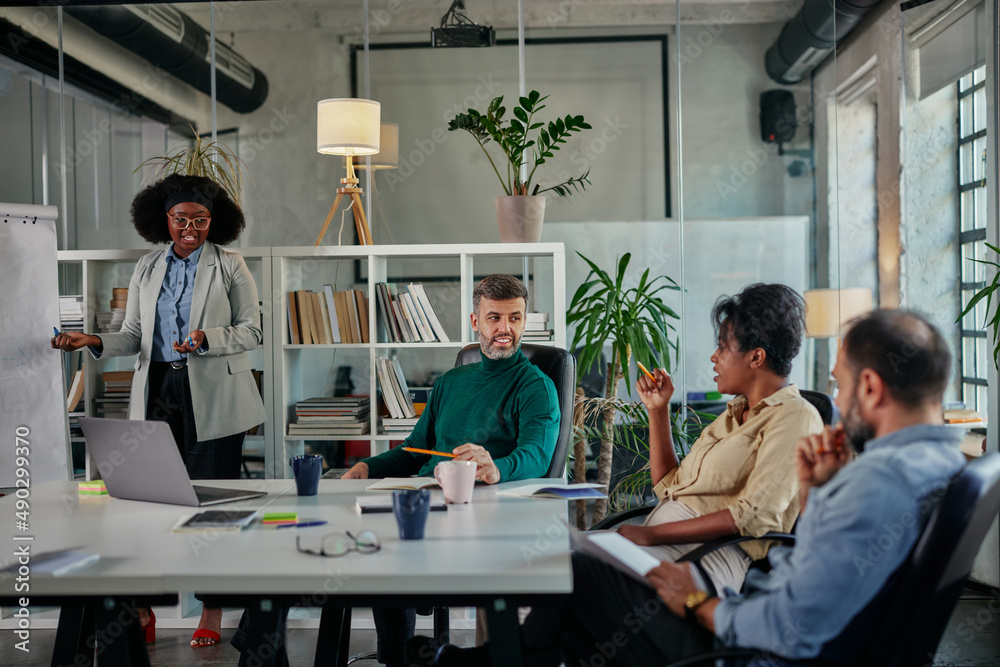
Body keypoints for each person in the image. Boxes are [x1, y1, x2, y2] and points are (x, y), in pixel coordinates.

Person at [418, 309, 966, 667]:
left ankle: (477, 662)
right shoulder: (935, 466)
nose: (837, 404)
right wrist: (819, 491)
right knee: (581, 611)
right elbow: (823, 568)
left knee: (576, 567)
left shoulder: (877, 483)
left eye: (841, 387)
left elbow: (791, 624)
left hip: (740, 645)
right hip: (750, 614)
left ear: (870, 385)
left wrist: (701, 600)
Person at [231, 273, 561, 667]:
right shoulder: (452, 381)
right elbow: (411, 450)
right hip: (420, 495)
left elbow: (537, 457)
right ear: (476, 322)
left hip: (475, 509)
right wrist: (366, 467)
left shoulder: (535, 386)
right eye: (494, 318)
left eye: (515, 318)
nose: (505, 329)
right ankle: (270, 649)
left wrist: (495, 468)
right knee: (307, 541)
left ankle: (396, 655)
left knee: (375, 548)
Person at [51, 173, 266, 648]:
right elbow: (132, 336)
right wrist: (94, 340)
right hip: (158, 388)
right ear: (164, 220)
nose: (191, 227)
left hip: (214, 393)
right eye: (181, 219)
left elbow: (253, 331)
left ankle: (210, 609)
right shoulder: (148, 267)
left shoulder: (230, 264)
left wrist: (209, 337)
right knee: (149, 504)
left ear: (216, 222)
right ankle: (144, 608)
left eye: (202, 220)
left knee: (210, 507)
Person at [620, 282, 823, 594]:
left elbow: (753, 516)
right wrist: (657, 410)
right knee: (565, 570)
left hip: (704, 558)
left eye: (723, 348)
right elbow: (668, 487)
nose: (714, 357)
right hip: (664, 542)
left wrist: (651, 536)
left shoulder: (795, 416)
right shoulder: (734, 414)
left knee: (580, 582)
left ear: (756, 357)